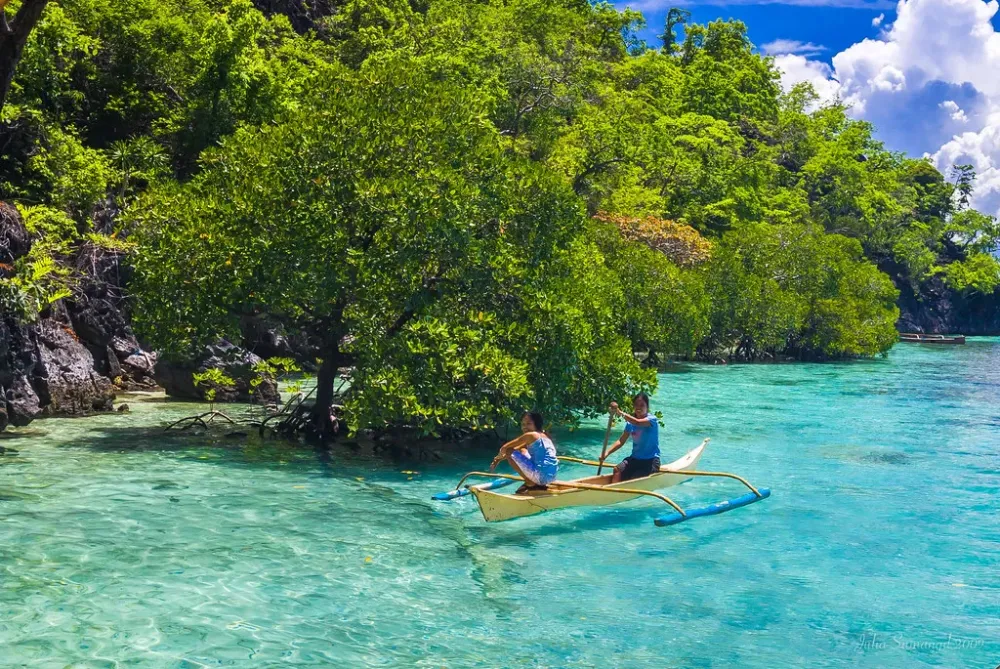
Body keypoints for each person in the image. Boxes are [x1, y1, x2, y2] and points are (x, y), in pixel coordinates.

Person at [490, 411, 558, 494]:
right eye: (523, 424)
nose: (525, 427)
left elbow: (504, 448)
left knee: (509, 450)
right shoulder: (545, 436)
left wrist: (497, 459)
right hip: (551, 477)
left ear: (536, 424)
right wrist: (500, 459)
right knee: (523, 450)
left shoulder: (531, 435)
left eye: (528, 423)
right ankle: (535, 482)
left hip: (540, 477)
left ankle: (530, 482)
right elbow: (518, 450)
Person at [604, 393, 660, 482]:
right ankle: (615, 493)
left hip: (650, 461)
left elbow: (637, 422)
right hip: (635, 459)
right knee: (617, 470)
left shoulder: (652, 420)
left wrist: (620, 413)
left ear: (647, 407)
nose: (639, 407)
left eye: (642, 405)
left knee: (636, 477)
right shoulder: (630, 424)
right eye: (636, 405)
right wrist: (606, 453)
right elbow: (621, 441)